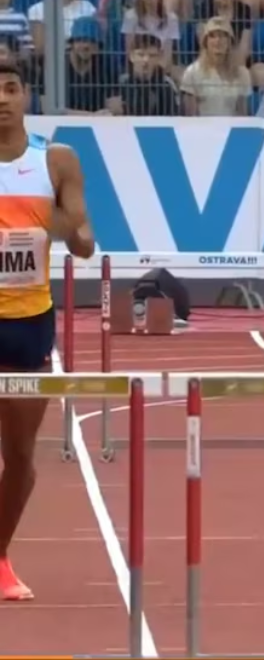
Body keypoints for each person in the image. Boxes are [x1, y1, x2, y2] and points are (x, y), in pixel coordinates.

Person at [0, 60, 97, 600]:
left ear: (25, 96)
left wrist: (49, 223)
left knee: (18, 455)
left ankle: (0, 556)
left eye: (10, 89)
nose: (2, 100)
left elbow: (83, 237)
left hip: (28, 323)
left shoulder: (54, 159)